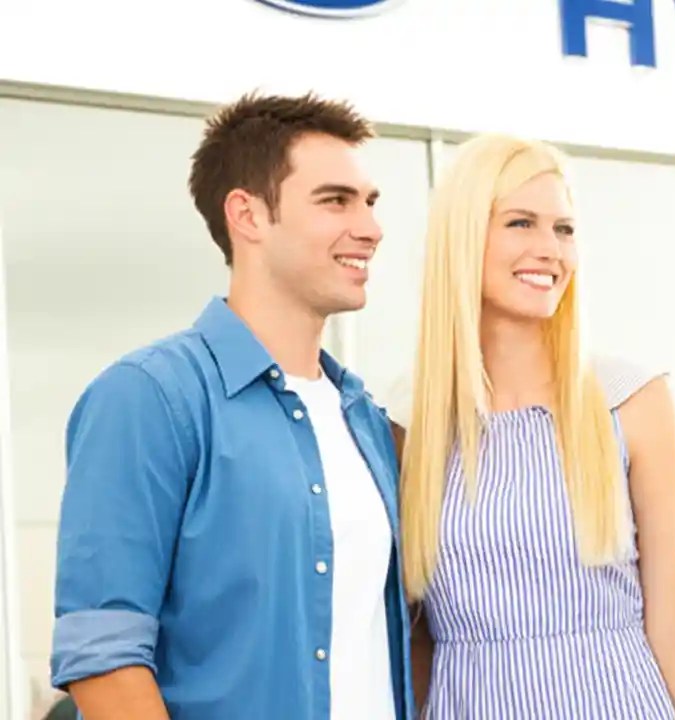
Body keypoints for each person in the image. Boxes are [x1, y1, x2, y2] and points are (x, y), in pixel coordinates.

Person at [49, 92, 414, 720]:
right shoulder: (149, 396)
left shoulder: (370, 423)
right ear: (247, 215)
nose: (370, 229)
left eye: (370, 203)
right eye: (335, 200)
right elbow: (104, 660)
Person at [385, 133, 675, 719]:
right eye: (521, 223)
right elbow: (415, 642)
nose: (550, 249)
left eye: (564, 229)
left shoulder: (631, 401)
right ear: (463, 236)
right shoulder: (406, 424)